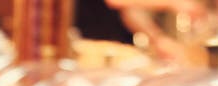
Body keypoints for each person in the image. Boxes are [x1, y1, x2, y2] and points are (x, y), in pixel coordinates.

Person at [75, 0, 206, 61]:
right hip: (89, 49)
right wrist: (172, 2)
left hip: (117, 50)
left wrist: (158, 39)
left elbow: (130, 11)